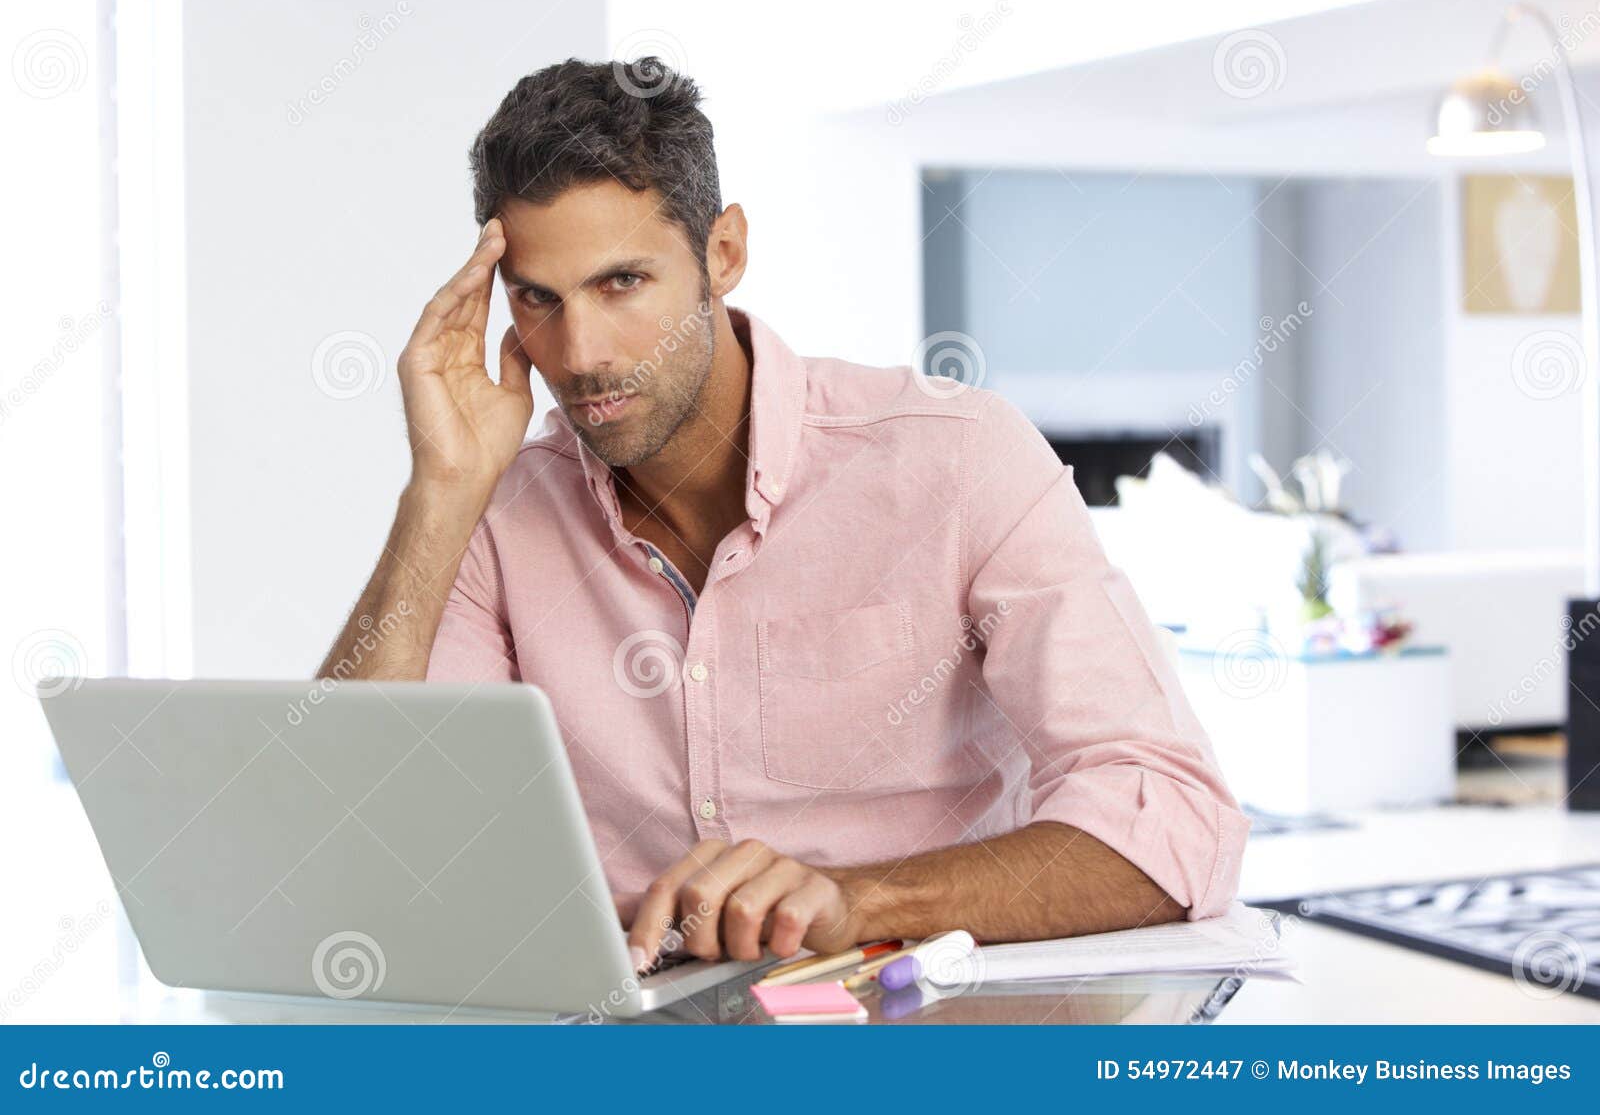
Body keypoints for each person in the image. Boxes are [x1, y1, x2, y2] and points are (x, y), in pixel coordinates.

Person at [318, 57, 1246, 974]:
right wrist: (440, 490)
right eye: (538, 299)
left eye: (622, 283)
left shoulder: (959, 459)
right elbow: (360, 842)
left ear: (722, 251)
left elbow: (1170, 815)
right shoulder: (495, 512)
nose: (581, 353)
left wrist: (859, 899)